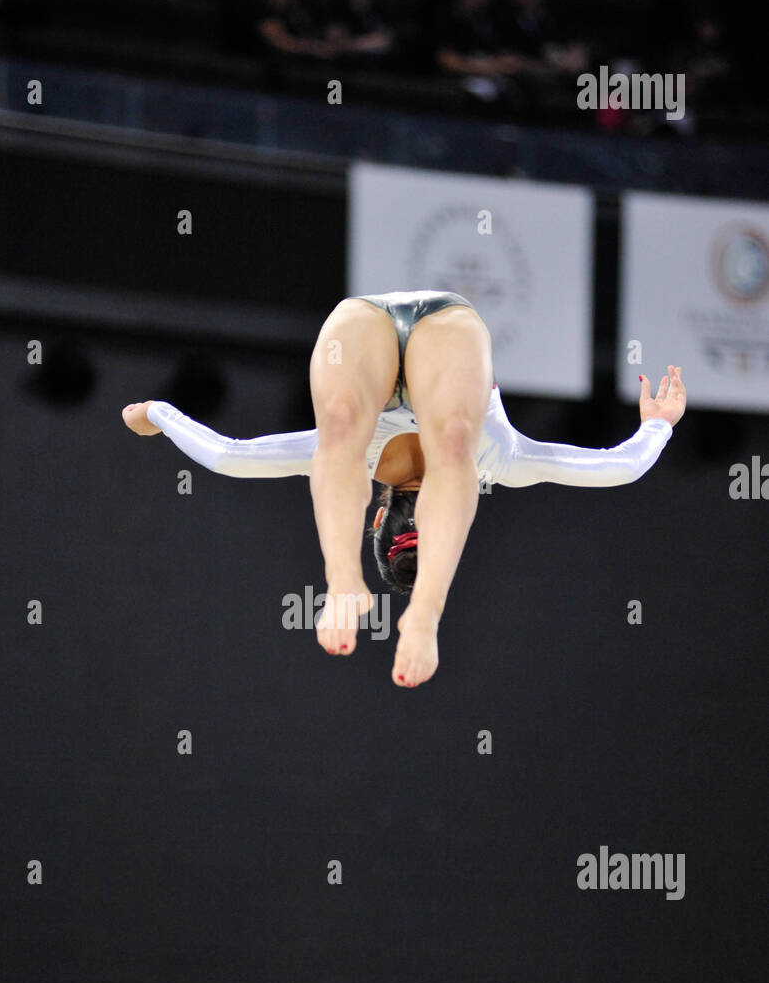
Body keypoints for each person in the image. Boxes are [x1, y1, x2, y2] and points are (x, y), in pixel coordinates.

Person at [122, 289, 686, 688]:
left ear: (375, 519)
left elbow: (621, 468)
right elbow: (227, 457)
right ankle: (384, 598)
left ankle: (382, 596)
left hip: (385, 330)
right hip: (413, 330)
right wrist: (158, 413)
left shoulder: (495, 466)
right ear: (375, 520)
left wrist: (659, 424)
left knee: (377, 438)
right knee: (416, 441)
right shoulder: (497, 462)